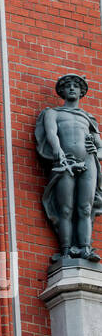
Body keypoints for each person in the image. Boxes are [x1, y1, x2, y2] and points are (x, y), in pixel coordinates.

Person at [35, 74, 102, 262]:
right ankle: (65, 251)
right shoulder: (53, 113)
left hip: (88, 163)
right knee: (65, 209)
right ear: (62, 91)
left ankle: (85, 249)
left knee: (85, 208)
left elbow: (100, 147)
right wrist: (58, 151)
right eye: (68, 86)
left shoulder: (88, 119)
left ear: (81, 92)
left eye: (76, 86)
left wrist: (96, 153)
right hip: (66, 162)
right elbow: (51, 134)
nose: (72, 88)